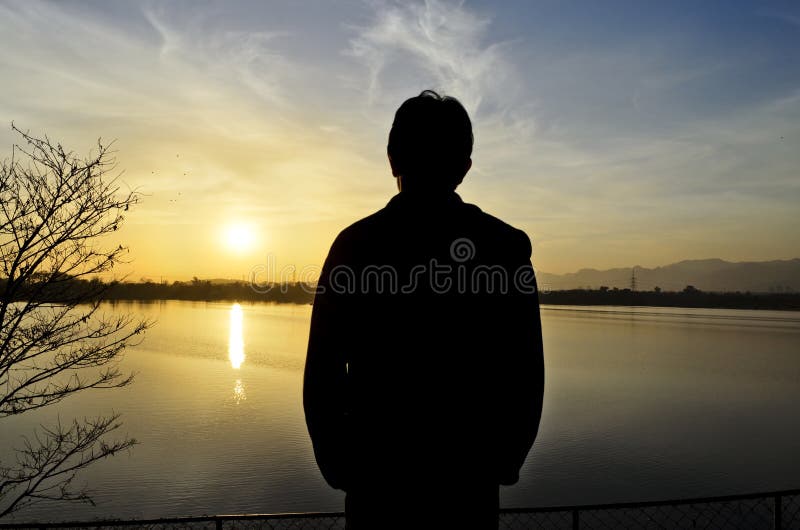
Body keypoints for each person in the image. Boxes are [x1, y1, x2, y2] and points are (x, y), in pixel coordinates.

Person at [304, 90, 545, 529]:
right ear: (465, 168)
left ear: (393, 160)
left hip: (378, 482)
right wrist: (504, 460)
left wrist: (340, 466)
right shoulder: (503, 248)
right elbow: (525, 372)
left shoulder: (355, 247)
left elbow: (322, 372)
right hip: (468, 483)